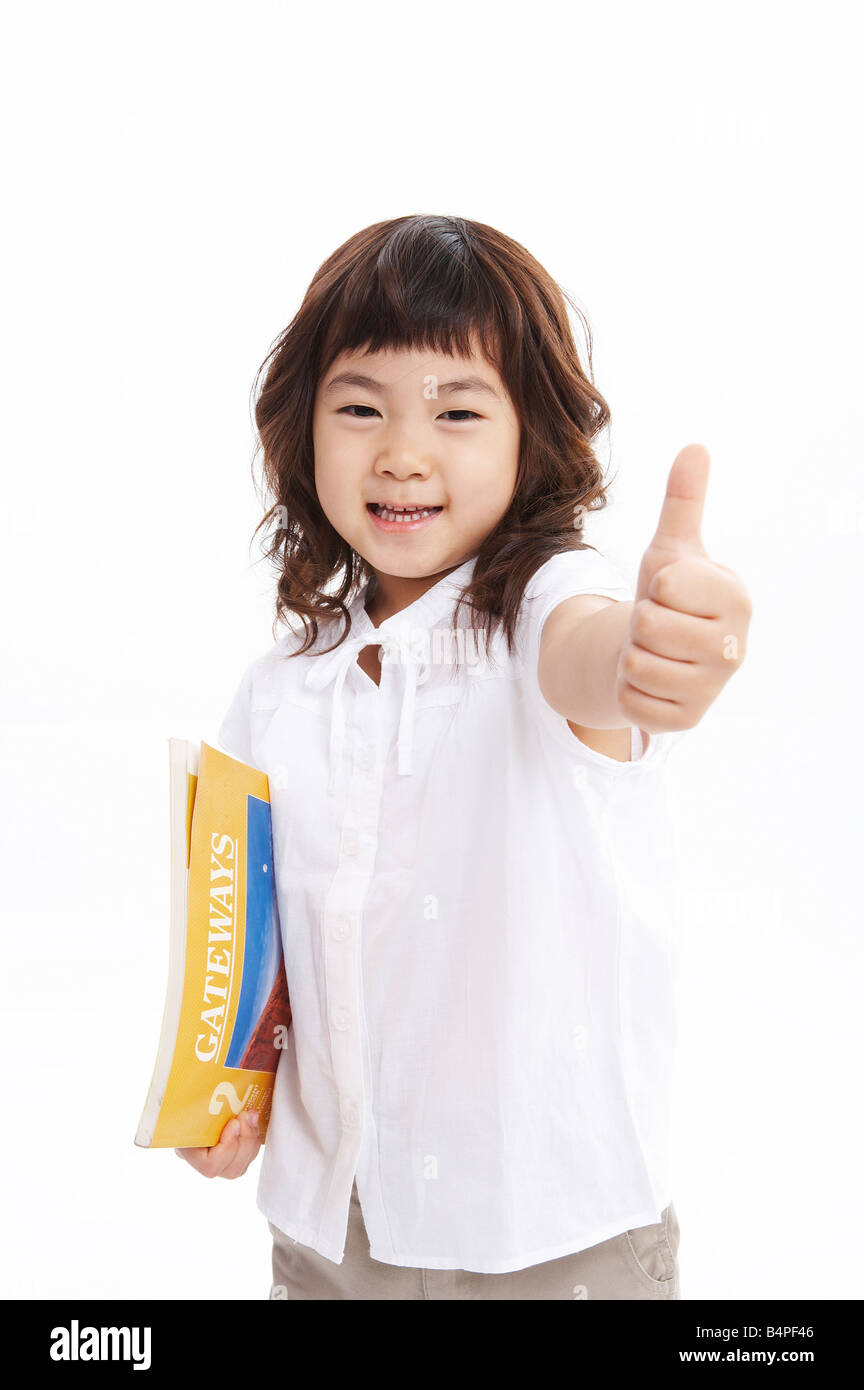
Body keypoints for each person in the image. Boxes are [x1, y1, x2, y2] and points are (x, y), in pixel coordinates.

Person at [175, 214, 752, 1299]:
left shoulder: (546, 605)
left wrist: (646, 652)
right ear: (303, 431)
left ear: (532, 435)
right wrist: (224, 1086)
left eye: (457, 410)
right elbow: (252, 927)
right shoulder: (280, 685)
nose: (402, 450)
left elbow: (590, 658)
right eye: (360, 407)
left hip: (549, 1228)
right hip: (333, 1232)